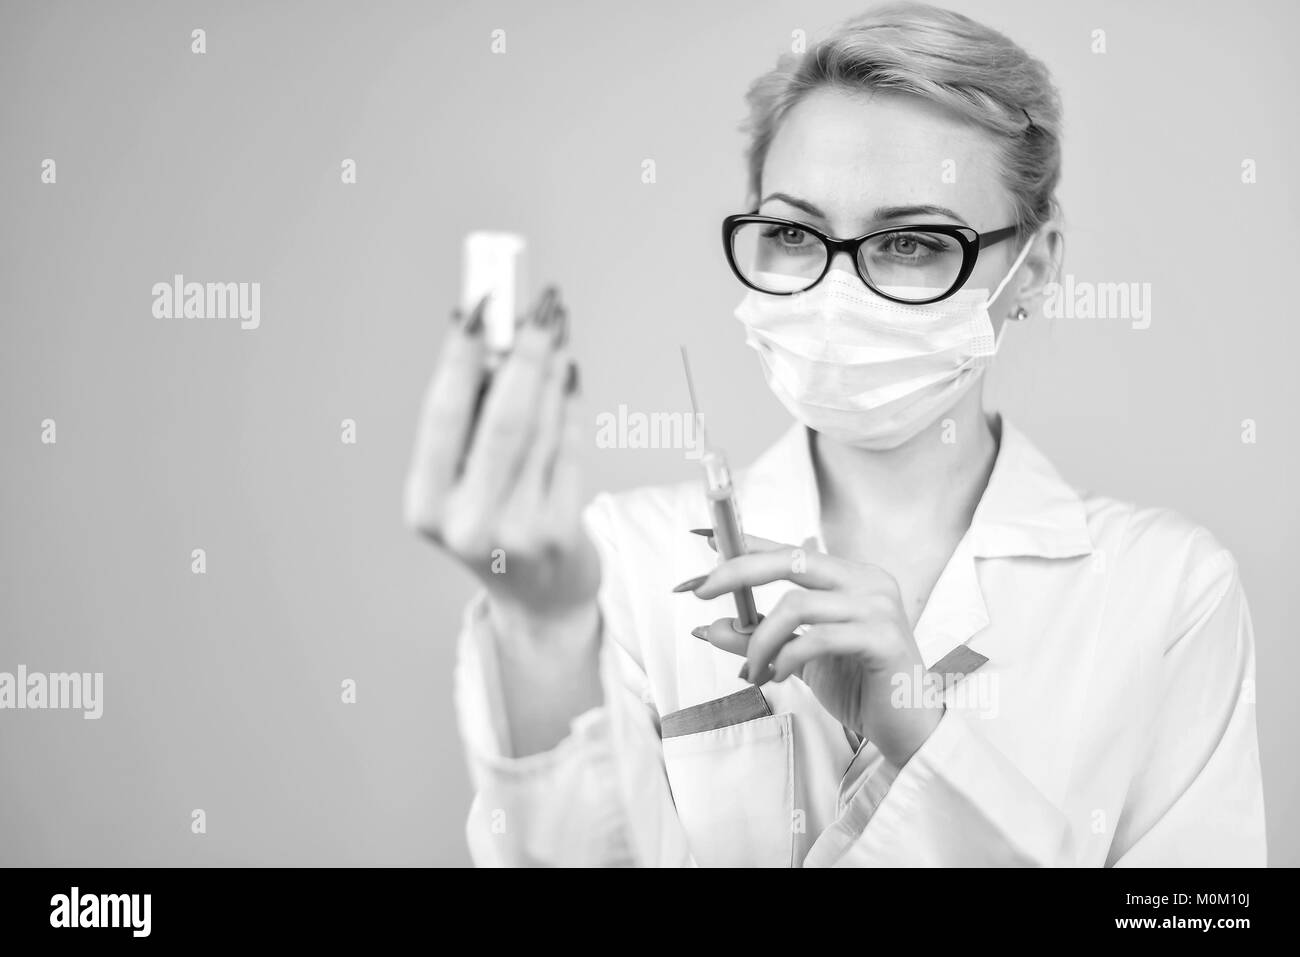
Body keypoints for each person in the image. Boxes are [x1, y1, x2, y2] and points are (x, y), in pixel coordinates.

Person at [404, 2, 1266, 866]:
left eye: (911, 242)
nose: (834, 292)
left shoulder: (1166, 591)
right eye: (792, 233)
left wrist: (925, 740)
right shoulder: (625, 565)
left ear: (1033, 267)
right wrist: (545, 631)